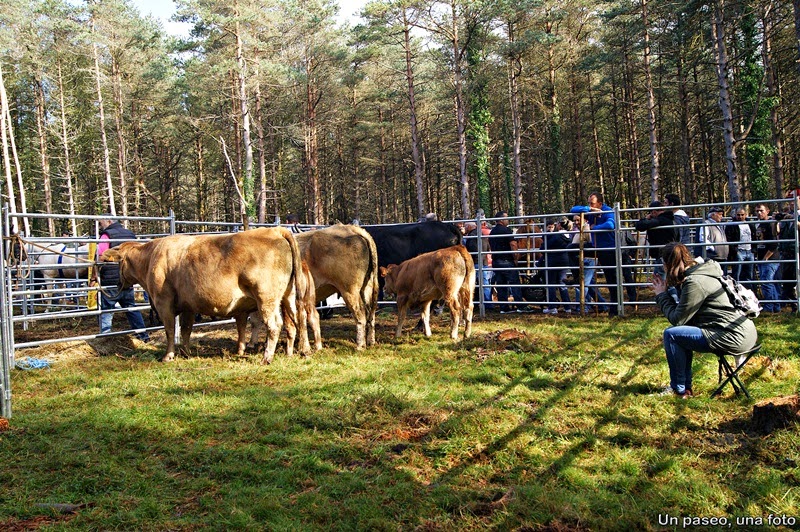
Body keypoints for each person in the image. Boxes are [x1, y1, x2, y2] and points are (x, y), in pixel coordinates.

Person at [652, 242, 757, 398]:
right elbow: (685, 319)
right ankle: (683, 388)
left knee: (672, 334)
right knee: (680, 335)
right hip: (743, 331)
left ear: (667, 264)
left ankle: (678, 389)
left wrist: (661, 295)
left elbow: (677, 319)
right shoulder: (703, 273)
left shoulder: (695, 282)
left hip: (732, 335)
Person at [90, 216, 149, 341]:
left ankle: (105, 338)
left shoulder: (106, 236)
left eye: (101, 224)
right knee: (131, 307)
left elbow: (100, 257)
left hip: (110, 278)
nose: (100, 227)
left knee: (106, 309)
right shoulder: (130, 235)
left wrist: (93, 277)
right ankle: (143, 336)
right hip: (127, 278)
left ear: (109, 222)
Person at [571, 192, 620, 316]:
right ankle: (577, 275)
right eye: (588, 203)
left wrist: (594, 228)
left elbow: (610, 225)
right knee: (571, 249)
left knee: (611, 278)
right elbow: (573, 209)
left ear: (600, 203)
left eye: (592, 203)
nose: (589, 205)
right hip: (595, 246)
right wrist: (589, 209)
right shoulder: (592, 211)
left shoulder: (607, 211)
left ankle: (615, 308)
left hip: (607, 248)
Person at [634, 200, 679, 278]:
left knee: (663, 279)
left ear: (654, 212)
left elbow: (639, 226)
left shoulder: (659, 220)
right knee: (661, 277)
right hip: (669, 251)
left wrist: (645, 219)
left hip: (662, 253)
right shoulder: (671, 220)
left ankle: (666, 290)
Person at [489, 211, 522, 311]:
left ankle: (503, 307)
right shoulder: (507, 230)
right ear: (502, 220)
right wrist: (516, 257)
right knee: (514, 282)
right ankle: (520, 306)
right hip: (507, 260)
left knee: (501, 284)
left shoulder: (492, 232)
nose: (508, 220)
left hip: (496, 261)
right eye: (507, 218)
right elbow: (513, 244)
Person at [541, 218, 571, 314]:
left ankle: (552, 307)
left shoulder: (555, 236)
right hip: (564, 262)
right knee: (562, 284)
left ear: (559, 225)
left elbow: (543, 247)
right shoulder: (569, 236)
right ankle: (567, 307)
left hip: (553, 262)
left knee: (551, 284)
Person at [754, 203, 780, 313]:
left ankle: (769, 307)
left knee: (766, 282)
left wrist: (766, 257)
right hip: (762, 257)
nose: (759, 213)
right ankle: (776, 307)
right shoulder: (759, 225)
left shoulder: (770, 224)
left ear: (767, 211)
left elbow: (774, 244)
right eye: (757, 211)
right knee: (768, 282)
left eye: (761, 210)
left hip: (770, 258)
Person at [777, 198, 798, 312]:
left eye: (795, 201)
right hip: (786, 253)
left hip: (797, 253)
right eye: (790, 202)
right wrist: (777, 221)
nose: (791, 204)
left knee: (797, 279)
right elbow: (778, 233)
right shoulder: (786, 217)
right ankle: (792, 305)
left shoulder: (795, 217)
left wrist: (795, 220)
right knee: (787, 280)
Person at [464, 222, 492, 305]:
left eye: (466, 227)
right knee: (485, 283)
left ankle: (479, 303)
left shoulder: (472, 236)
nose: (465, 229)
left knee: (473, 282)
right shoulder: (481, 234)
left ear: (469, 227)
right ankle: (488, 303)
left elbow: (471, 249)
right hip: (484, 261)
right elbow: (488, 248)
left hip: (476, 262)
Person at [725, 207, 754, 283]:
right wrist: (735, 251)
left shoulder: (750, 224)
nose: (740, 217)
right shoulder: (731, 225)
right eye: (738, 215)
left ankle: (749, 290)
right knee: (737, 274)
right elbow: (728, 239)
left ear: (746, 215)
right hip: (739, 251)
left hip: (749, 251)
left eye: (742, 215)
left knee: (749, 274)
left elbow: (754, 237)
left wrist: (753, 250)